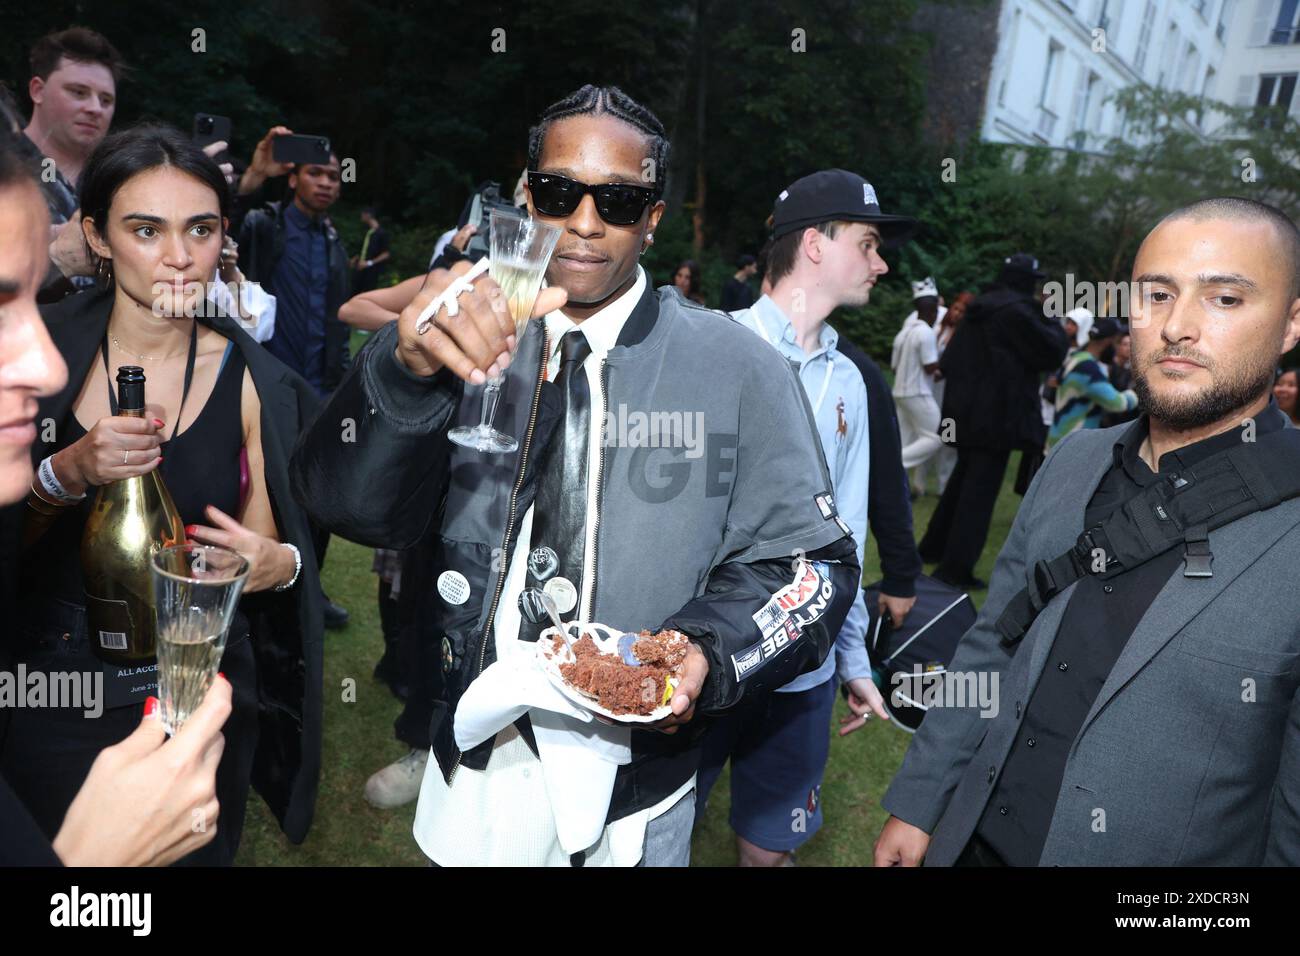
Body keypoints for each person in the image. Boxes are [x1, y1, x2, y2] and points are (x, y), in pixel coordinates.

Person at [290, 84, 860, 866]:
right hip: (473, 761)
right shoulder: (462, 328)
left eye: (620, 201)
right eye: (560, 192)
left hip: (639, 786)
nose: (585, 222)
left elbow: (813, 564)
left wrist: (704, 651)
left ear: (654, 218)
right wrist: (403, 367)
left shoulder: (736, 367)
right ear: (526, 197)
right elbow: (341, 504)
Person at [876, 196, 1300, 867]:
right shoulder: (1073, 460)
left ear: (1291, 323)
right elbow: (994, 640)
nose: (1178, 326)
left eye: (1224, 299)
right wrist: (922, 798)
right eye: (1156, 294)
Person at [0, 124, 325, 865]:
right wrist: (66, 472)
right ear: (98, 235)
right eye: (146, 229)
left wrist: (276, 564)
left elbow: (266, 548)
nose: (180, 256)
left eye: (200, 229)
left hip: (192, 687)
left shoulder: (257, 382)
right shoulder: (30, 346)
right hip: (52, 683)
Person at [708, 169, 913, 865]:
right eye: (870, 242)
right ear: (816, 245)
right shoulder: (712, 348)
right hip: (697, 656)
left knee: (770, 850)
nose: (882, 263)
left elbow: (844, 537)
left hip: (801, 669)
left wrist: (850, 657)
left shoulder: (850, 380)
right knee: (646, 837)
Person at [232, 125, 351, 628]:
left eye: (333, 176)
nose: (326, 183)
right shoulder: (264, 224)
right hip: (267, 386)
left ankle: (310, 592)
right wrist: (253, 178)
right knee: (269, 490)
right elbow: (223, 226)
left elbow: (338, 318)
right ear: (293, 178)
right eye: (315, 173)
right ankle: (263, 594)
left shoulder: (334, 241)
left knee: (319, 497)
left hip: (321, 391)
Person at [918, 253, 1069, 589]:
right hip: (998, 418)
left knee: (961, 483)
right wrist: (1051, 315)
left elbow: (952, 361)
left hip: (966, 415)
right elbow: (1054, 350)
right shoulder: (1019, 313)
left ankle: (932, 548)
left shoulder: (980, 308)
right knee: (978, 494)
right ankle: (955, 568)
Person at [17, 27, 122, 301]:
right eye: (78, 92)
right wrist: (55, 253)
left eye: (106, 100)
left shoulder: (120, 182)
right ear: (37, 91)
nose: (95, 108)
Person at [892, 277, 944, 498]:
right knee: (937, 436)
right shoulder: (925, 332)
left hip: (900, 393)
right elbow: (931, 367)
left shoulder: (904, 332)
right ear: (933, 310)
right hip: (918, 392)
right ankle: (893, 466)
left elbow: (894, 366)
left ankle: (896, 484)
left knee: (903, 438)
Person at [1049, 316, 1138, 442]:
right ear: (1107, 342)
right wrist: (1137, 392)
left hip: (1060, 437)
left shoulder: (1077, 357)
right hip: (1071, 444)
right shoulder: (1089, 370)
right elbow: (1117, 404)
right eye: (1117, 342)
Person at [1101, 329, 1140, 428]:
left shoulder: (1129, 369)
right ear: (1118, 346)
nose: (1128, 348)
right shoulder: (1108, 367)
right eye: (1125, 344)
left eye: (1130, 345)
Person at [350, 206, 391, 294]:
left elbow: (386, 254)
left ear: (368, 215)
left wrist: (369, 263)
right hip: (360, 267)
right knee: (353, 292)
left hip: (371, 271)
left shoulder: (381, 233)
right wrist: (356, 259)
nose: (361, 217)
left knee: (367, 294)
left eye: (363, 215)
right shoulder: (367, 231)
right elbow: (364, 249)